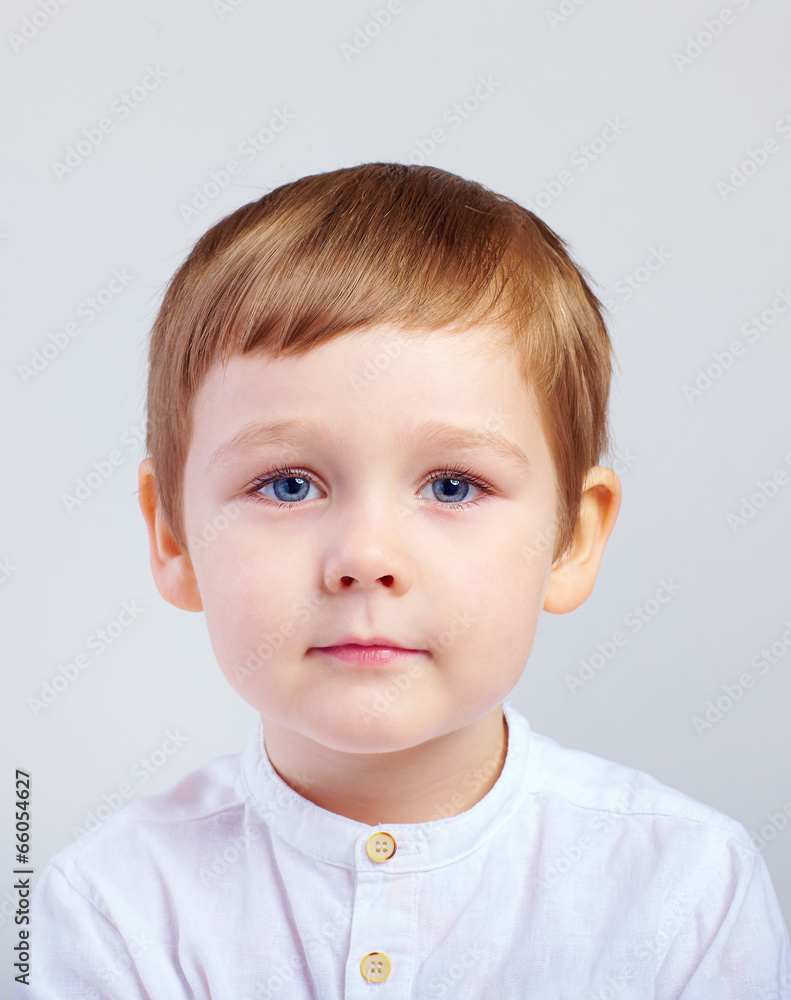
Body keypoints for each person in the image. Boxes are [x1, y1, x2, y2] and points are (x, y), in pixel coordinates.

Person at [17, 162, 791, 998]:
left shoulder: (684, 890)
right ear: (173, 535)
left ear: (571, 538)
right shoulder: (114, 908)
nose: (366, 555)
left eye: (452, 486)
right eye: (287, 484)